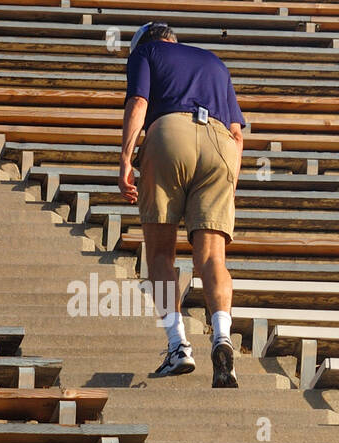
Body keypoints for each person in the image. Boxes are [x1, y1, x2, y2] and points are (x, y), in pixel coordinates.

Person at [119, 21, 244, 387]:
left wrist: (126, 157)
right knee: (212, 258)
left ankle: (178, 346)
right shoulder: (214, 62)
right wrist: (228, 182)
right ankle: (221, 336)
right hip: (221, 144)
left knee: (160, 255)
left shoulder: (146, 52)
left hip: (170, 133)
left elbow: (139, 101)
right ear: (176, 39)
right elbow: (239, 134)